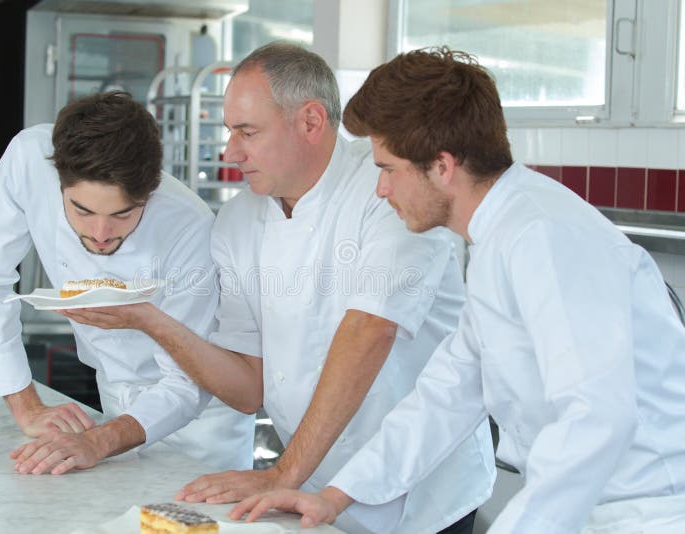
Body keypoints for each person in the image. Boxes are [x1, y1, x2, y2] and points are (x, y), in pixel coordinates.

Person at [229, 47, 685, 533]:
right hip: (592, 511)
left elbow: (597, 419)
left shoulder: (544, 236)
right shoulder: (499, 238)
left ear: (442, 166)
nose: (380, 189)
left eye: (388, 169)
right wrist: (339, 496)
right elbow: (449, 393)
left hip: (648, 514)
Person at [60, 43, 495, 534]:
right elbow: (248, 388)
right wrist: (151, 320)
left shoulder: (390, 188)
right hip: (315, 490)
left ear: (310, 122)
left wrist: (283, 472)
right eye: (229, 132)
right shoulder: (238, 222)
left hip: (423, 489)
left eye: (248, 132)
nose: (230, 153)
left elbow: (370, 330)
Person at [0, 91, 255, 476]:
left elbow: (185, 384)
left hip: (202, 426)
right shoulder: (28, 160)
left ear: (150, 193)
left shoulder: (189, 227)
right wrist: (26, 405)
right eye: (81, 210)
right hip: (113, 399)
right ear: (58, 181)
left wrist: (97, 442)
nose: (100, 232)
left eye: (122, 214)